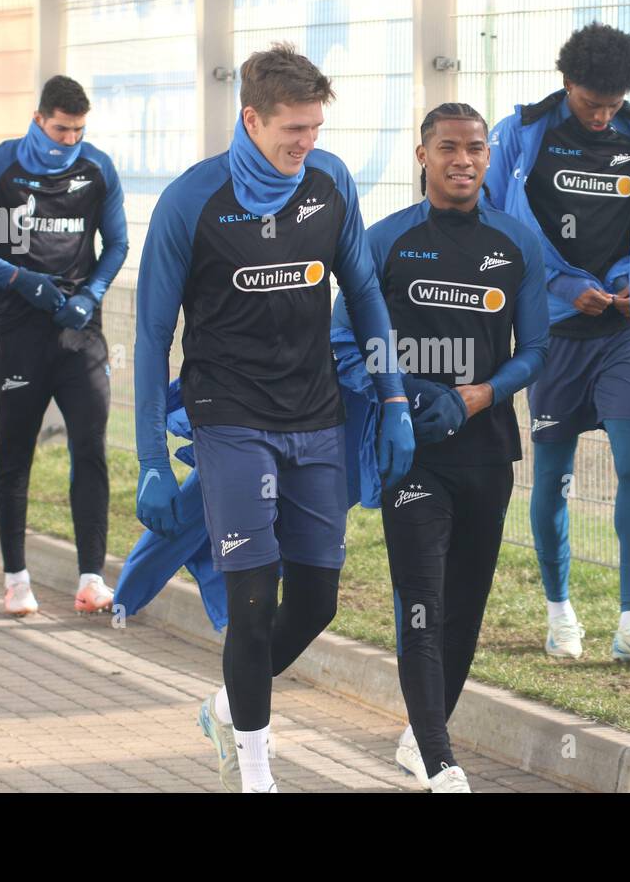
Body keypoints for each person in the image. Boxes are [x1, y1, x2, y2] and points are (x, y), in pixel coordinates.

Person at [134, 43, 414, 793]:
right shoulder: (191, 202)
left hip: (316, 417)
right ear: (251, 118)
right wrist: (152, 460)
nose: (306, 143)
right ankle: (257, 770)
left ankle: (229, 707)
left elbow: (365, 297)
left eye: (316, 127)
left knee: (316, 602)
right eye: (292, 129)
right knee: (253, 599)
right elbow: (150, 337)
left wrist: (391, 402)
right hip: (229, 420)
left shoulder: (329, 183)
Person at [331, 103, 548, 792]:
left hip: (488, 452)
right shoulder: (385, 239)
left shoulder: (517, 243)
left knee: (463, 605)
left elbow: (537, 349)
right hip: (413, 455)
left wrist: (481, 394)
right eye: (448, 147)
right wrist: (409, 394)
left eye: (476, 148)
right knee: (420, 599)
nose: (464, 160)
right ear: (421, 153)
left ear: (490, 156)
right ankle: (439, 758)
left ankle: (418, 740)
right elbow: (344, 342)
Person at [485, 22, 630, 664]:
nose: (602, 115)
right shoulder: (523, 133)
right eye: (592, 102)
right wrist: (564, 285)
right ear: (568, 84)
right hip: (555, 332)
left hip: (624, 330)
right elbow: (496, 222)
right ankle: (560, 612)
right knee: (554, 474)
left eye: (614, 104)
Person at [0, 75, 128, 616]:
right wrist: (19, 280)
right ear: (38, 118)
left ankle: (91, 577)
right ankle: (16, 578)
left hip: (80, 334)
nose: (69, 140)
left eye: (77, 130)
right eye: (60, 129)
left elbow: (117, 242)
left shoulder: (96, 168)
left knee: (90, 448)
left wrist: (92, 293)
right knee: (15, 452)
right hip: (20, 334)